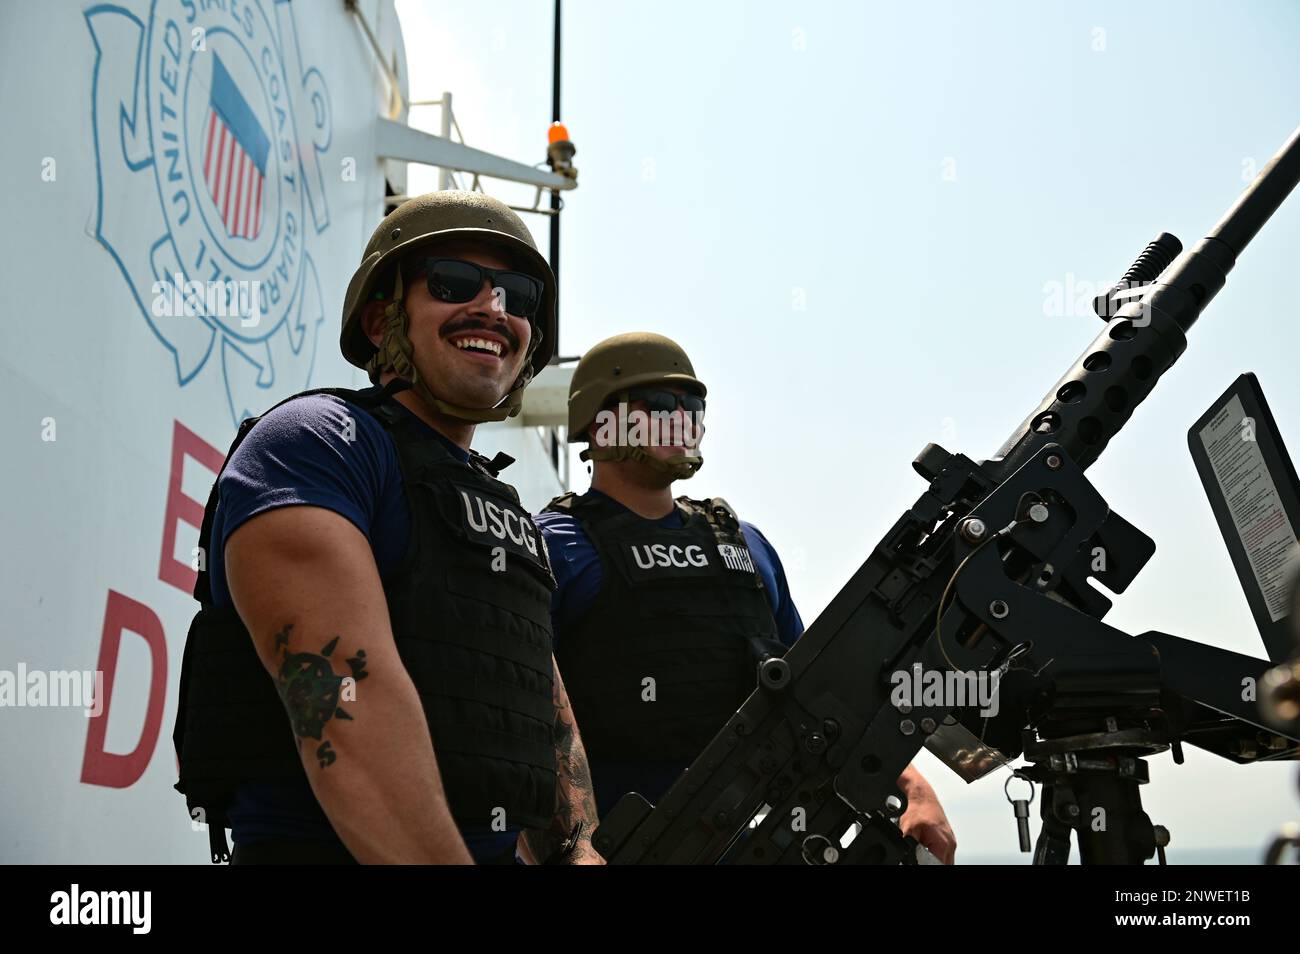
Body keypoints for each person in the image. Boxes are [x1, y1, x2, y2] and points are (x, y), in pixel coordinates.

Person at [173, 191, 600, 864]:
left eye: (518, 297)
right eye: (455, 282)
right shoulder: (320, 443)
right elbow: (347, 701)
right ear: (381, 319)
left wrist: (578, 848)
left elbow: (535, 699)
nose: (495, 308)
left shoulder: (505, 508)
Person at [535, 332, 957, 862]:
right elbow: (521, 716)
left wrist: (912, 787)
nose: (683, 417)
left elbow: (822, 691)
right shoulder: (553, 545)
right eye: (662, 405)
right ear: (600, 423)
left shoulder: (745, 545)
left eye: (694, 405)